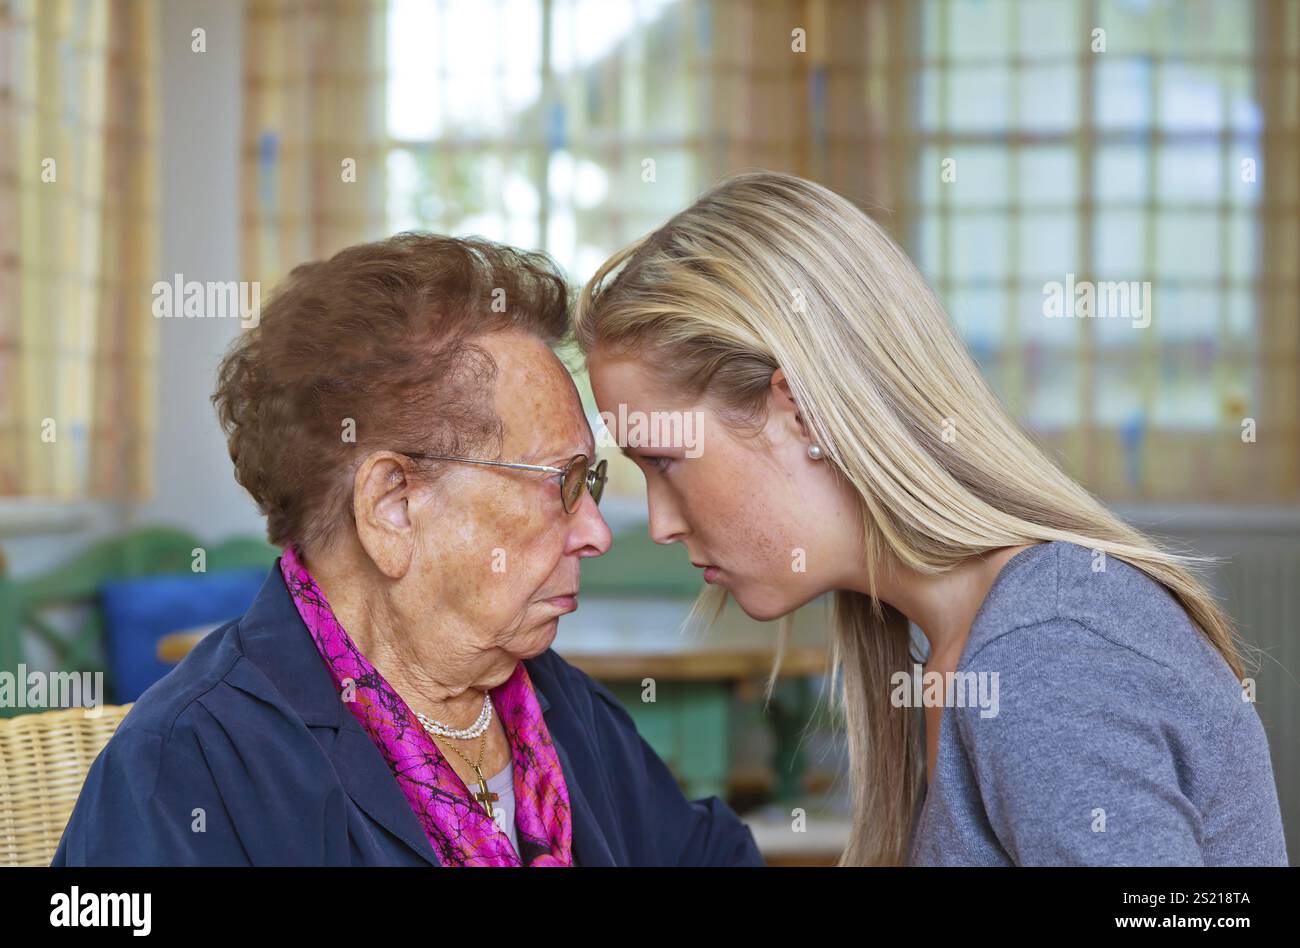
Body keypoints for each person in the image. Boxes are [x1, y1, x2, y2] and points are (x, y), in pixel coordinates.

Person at [574, 171, 1289, 866]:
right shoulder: (958, 640)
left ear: (800, 412)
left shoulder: (1045, 651)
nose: (661, 523)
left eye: (665, 460)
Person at [53, 233, 763, 866]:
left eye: (594, 481)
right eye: (563, 482)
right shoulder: (188, 767)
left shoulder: (558, 705)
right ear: (391, 505)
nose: (596, 531)